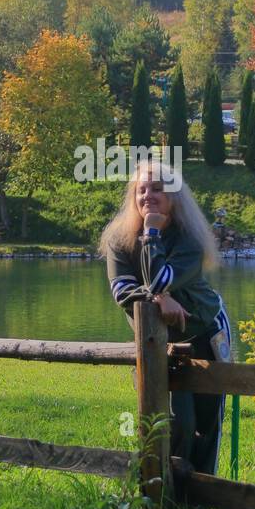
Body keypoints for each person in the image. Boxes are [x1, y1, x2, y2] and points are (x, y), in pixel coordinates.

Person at [101, 159, 231, 476]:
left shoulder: (190, 239)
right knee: (176, 421)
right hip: (158, 340)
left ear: (174, 197)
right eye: (141, 190)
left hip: (204, 333)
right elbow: (122, 293)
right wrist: (161, 298)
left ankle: (204, 492)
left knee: (205, 421)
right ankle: (169, 494)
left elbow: (160, 279)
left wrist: (152, 234)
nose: (148, 196)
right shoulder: (119, 240)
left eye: (157, 189)